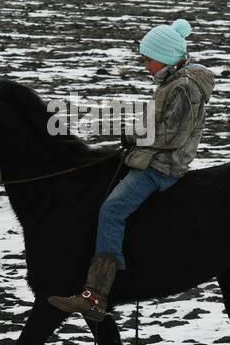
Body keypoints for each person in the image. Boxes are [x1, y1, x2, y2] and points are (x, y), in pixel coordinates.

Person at [48, 18, 214, 321]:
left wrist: (135, 136)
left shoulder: (185, 88)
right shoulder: (172, 82)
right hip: (151, 156)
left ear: (165, 57)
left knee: (111, 210)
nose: (145, 65)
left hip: (163, 166)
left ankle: (96, 294)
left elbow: (174, 135)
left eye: (148, 59)